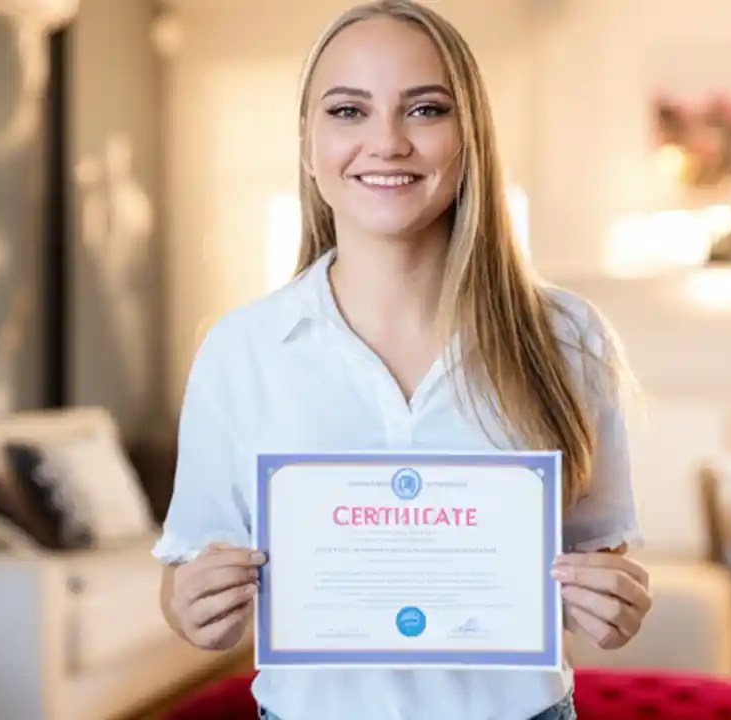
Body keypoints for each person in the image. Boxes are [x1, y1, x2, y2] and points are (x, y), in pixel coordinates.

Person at [154, 2, 653, 718]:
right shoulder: (241, 350)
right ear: (308, 146)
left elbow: (599, 556)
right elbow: (185, 569)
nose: (387, 142)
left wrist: (610, 600)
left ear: (470, 138)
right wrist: (190, 606)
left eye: (424, 109)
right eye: (348, 111)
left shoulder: (568, 337)